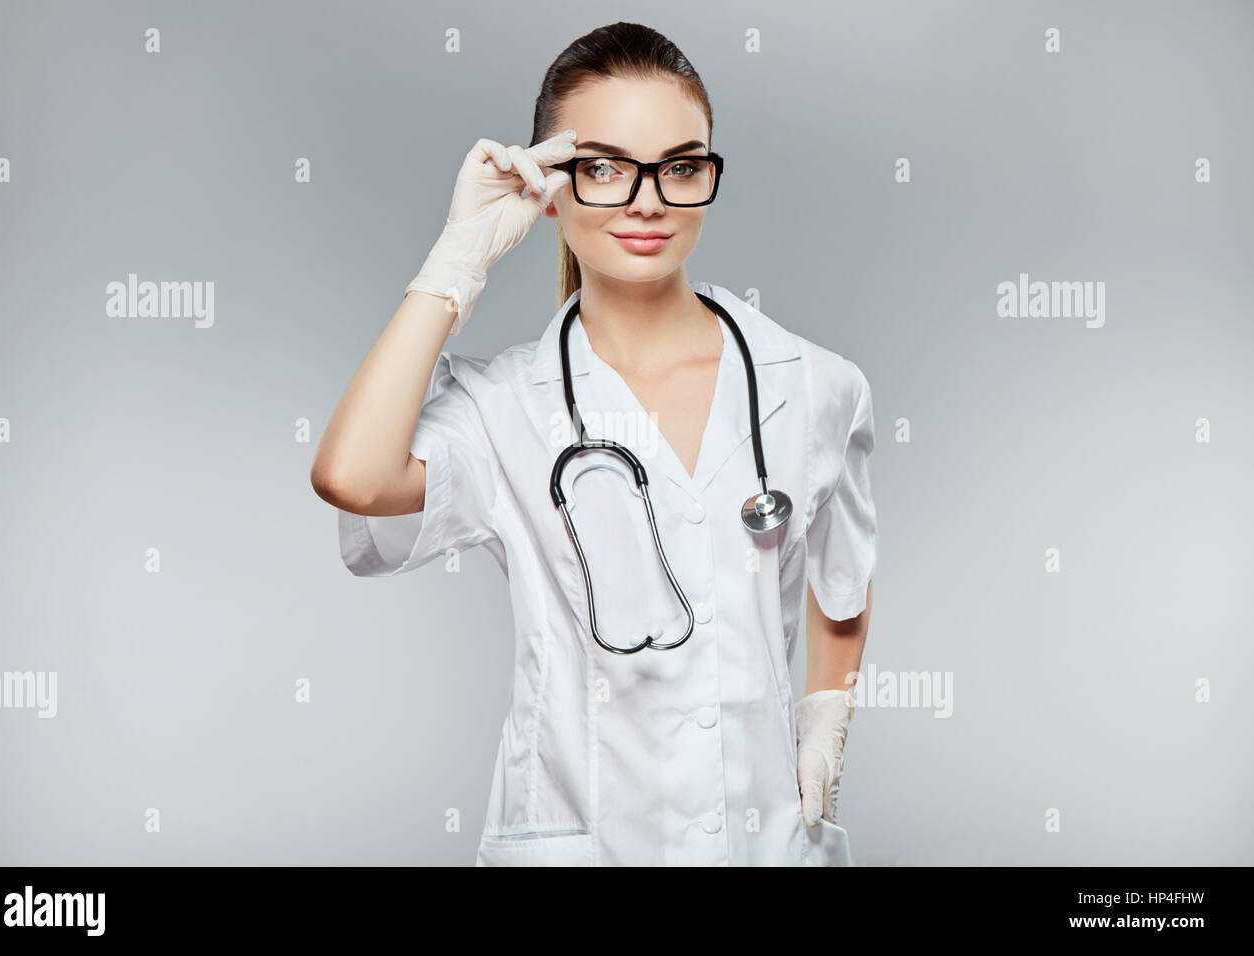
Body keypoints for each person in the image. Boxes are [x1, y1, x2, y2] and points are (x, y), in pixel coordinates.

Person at [310, 22, 877, 866]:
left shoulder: (816, 384)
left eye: (681, 166)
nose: (647, 200)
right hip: (581, 841)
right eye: (604, 167)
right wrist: (458, 260)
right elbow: (352, 475)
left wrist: (825, 725)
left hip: (763, 841)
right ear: (551, 183)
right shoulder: (504, 405)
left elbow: (843, 581)